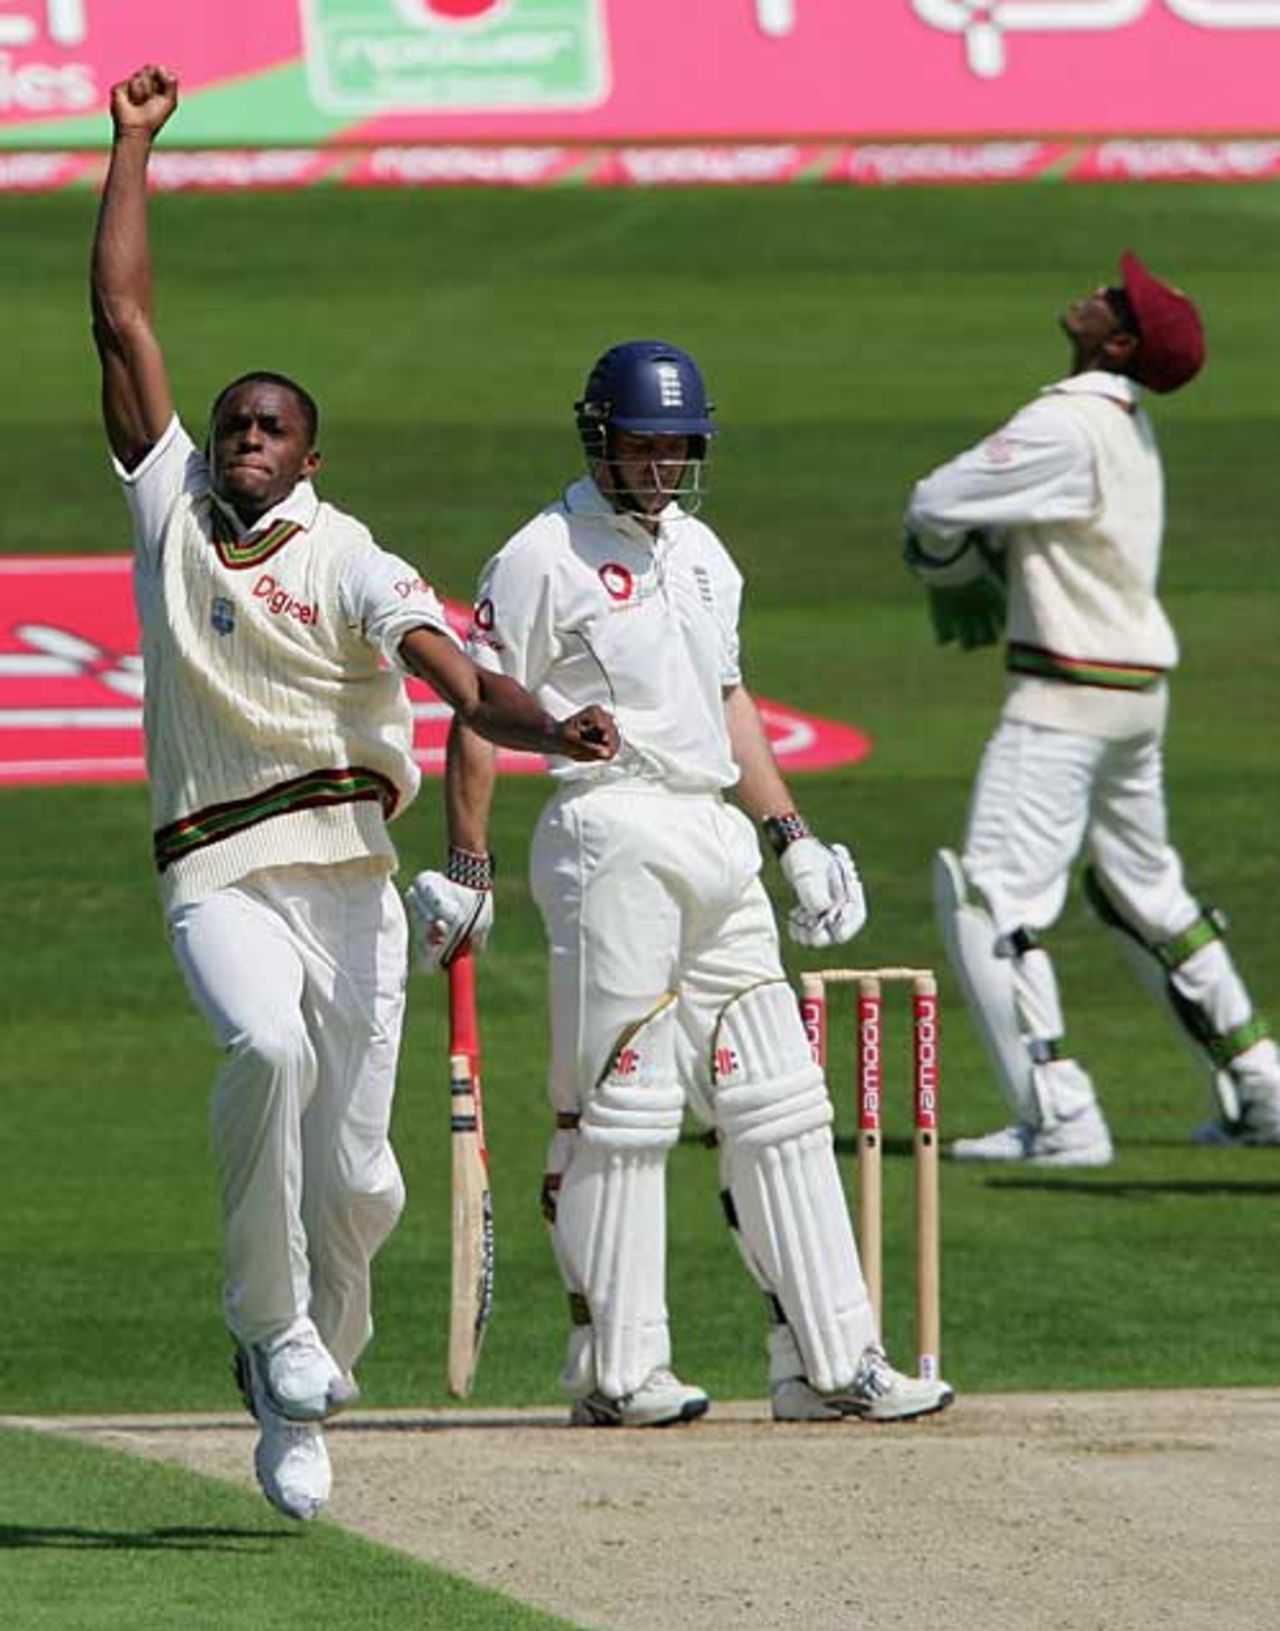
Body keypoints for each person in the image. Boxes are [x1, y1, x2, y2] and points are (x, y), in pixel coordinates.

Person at [90, 65, 617, 1522]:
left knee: (364, 1181)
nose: (244, 441)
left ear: (311, 459)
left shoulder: (354, 558)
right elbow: (123, 322)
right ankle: (274, 1331)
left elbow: (462, 686)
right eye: (232, 424)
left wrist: (558, 728)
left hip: (354, 884)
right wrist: (130, 145)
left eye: (272, 430)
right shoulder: (170, 514)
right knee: (263, 1047)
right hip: (219, 871)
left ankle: (306, 1360)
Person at [407, 339, 954, 1426]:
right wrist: (469, 859)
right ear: (599, 438)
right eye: (643, 446)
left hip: (713, 833)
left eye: (678, 448)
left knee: (780, 1098)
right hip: (606, 830)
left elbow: (729, 702)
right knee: (626, 1101)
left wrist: (789, 832)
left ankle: (827, 1362)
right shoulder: (539, 551)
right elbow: (481, 706)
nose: (661, 466)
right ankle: (617, 1368)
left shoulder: (703, 553)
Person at [903, 251, 1280, 1167]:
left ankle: (1060, 1115)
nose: (1100, 293)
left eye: (1118, 301)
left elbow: (936, 501)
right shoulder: (1125, 427)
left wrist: (950, 571)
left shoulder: (1066, 424)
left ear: (1116, 343)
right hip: (1135, 697)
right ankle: (1264, 1087)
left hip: (1065, 696)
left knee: (988, 896)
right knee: (1143, 890)